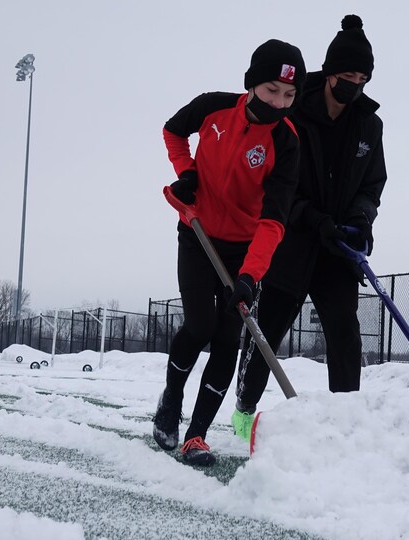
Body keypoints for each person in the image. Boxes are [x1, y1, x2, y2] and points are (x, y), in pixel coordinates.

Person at [152, 39, 306, 466]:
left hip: (243, 250)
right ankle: (171, 399)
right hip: (198, 233)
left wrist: (250, 275)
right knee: (200, 324)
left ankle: (196, 435)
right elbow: (173, 131)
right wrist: (187, 173)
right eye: (272, 90)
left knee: (226, 339)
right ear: (252, 84)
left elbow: (273, 221)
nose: (279, 103)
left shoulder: (286, 142)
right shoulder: (213, 107)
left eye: (289, 95)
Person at [232, 15, 386, 439]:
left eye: (362, 79)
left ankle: (346, 421)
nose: (354, 86)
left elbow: (372, 184)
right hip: (291, 243)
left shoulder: (369, 125)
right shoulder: (293, 113)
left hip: (337, 248)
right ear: (330, 72)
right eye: (347, 77)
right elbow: (276, 183)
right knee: (267, 332)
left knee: (345, 333)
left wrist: (360, 219)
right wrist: (312, 218)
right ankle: (244, 408)